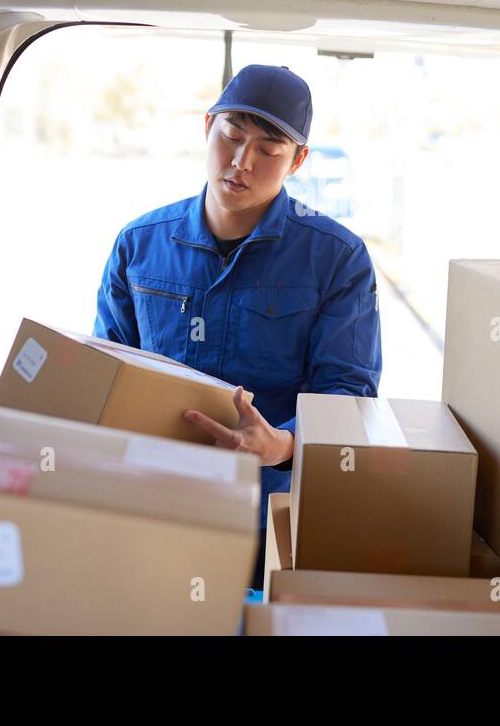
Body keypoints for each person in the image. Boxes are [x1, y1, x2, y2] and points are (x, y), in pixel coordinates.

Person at [93, 64, 382, 589]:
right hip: (153, 496)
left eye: (269, 150)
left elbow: (350, 395)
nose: (242, 161)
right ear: (208, 128)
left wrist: (283, 446)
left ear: (298, 160)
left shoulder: (338, 259)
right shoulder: (139, 244)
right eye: (232, 136)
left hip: (269, 510)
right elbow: (107, 369)